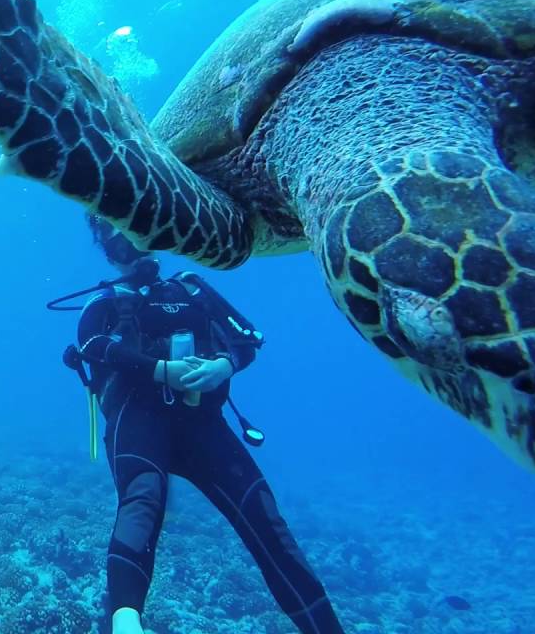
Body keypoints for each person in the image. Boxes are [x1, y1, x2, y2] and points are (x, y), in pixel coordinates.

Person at [71, 214, 345, 634]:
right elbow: (92, 345)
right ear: (108, 253)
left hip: (203, 424)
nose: (133, 250)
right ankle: (125, 623)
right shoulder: (105, 301)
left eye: (137, 236)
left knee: (265, 517)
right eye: (119, 244)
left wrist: (224, 365)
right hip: (138, 421)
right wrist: (161, 370)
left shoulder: (191, 287)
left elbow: (247, 338)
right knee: (142, 500)